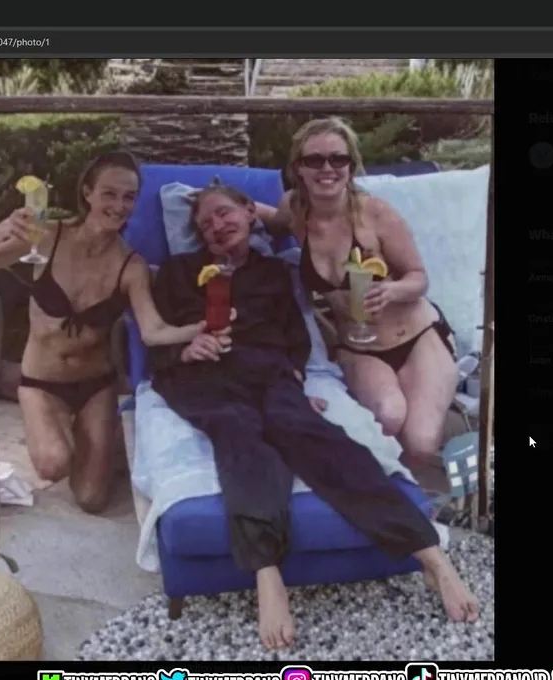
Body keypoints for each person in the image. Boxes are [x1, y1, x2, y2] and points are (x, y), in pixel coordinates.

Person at [150, 183, 480, 649]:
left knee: (315, 435)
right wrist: (186, 349)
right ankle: (267, 571)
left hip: (270, 374)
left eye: (224, 213)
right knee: (240, 433)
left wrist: (295, 378)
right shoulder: (177, 272)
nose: (216, 227)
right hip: (205, 377)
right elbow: (155, 340)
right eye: (205, 224)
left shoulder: (273, 273)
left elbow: (295, 338)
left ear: (249, 213)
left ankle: (429, 553)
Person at [0, 151, 218, 514]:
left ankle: (103, 440)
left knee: (92, 499)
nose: (119, 206)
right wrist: (2, 230)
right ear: (87, 193)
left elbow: (153, 330)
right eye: (109, 194)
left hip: (96, 385)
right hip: (41, 383)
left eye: (128, 197)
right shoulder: (46, 236)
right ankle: (72, 435)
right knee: (54, 464)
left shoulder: (131, 266)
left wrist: (199, 330)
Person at [257, 118, 458, 467]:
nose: (327, 169)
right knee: (388, 418)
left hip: (415, 335)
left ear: (351, 165)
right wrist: (234, 206)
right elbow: (274, 221)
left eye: (338, 158)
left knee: (421, 444)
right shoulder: (296, 209)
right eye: (314, 160)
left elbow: (419, 277)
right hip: (357, 345)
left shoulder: (376, 214)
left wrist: (392, 290)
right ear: (298, 168)